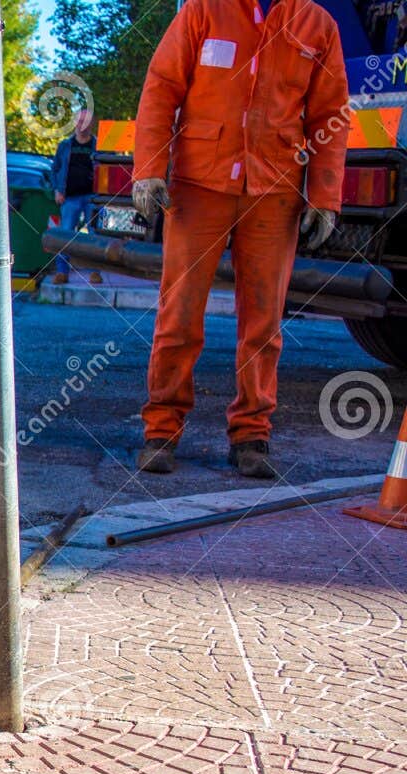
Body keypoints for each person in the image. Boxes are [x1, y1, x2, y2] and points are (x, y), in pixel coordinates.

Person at [130, 0, 349, 479]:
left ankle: (252, 435)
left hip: (275, 191)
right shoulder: (203, 11)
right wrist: (148, 169)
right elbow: (162, 88)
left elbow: (331, 115)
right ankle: (161, 431)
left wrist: (325, 196)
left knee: (263, 322)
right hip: (199, 185)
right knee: (179, 313)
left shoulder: (316, 24)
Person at [50, 107, 104, 285]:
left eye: (86, 121)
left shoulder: (98, 145)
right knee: (65, 234)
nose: (82, 125)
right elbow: (55, 169)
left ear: (91, 124)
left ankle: (95, 272)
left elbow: (106, 169)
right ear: (75, 122)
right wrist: (58, 190)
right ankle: (62, 272)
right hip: (69, 198)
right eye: (80, 121)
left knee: (95, 235)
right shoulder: (65, 146)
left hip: (93, 199)